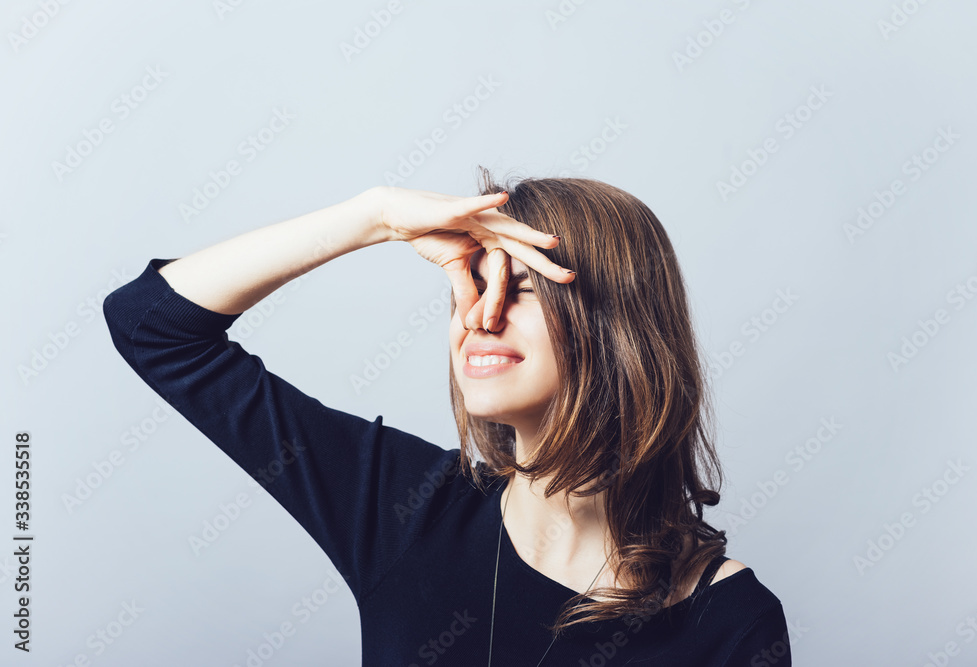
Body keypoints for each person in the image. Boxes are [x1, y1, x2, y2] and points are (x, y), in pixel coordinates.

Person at [103, 170, 792, 666]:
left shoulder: (730, 622)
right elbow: (149, 324)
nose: (479, 315)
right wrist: (372, 216)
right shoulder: (402, 508)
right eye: (468, 287)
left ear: (616, 326)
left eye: (519, 289)